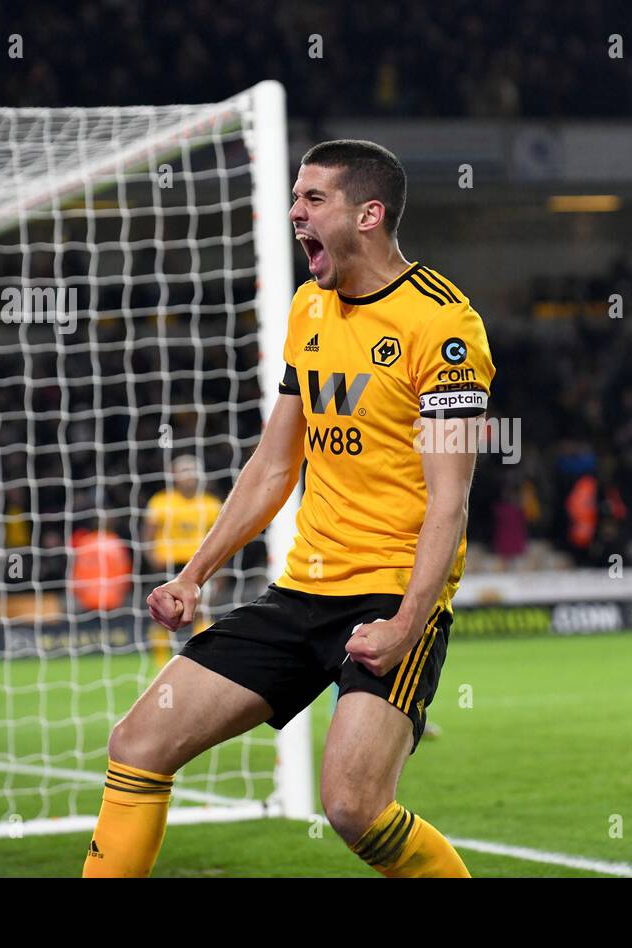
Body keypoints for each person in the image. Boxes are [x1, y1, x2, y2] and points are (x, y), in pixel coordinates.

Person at [83, 139, 494, 877]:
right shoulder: (309, 306)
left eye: (312, 199)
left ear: (368, 214)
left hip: (389, 593)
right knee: (138, 740)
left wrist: (407, 623)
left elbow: (450, 501)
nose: (294, 211)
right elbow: (275, 463)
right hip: (301, 592)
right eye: (294, 197)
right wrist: (194, 573)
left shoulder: (444, 325)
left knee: (352, 805)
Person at [140, 455, 223, 666]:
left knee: (202, 609)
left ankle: (203, 659)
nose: (189, 475)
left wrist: (218, 569)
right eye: (183, 470)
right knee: (163, 613)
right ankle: (160, 664)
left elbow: (220, 540)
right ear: (173, 475)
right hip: (168, 564)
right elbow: (147, 535)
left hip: (199, 565)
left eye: (192, 470)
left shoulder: (211, 504)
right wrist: (153, 560)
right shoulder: (160, 502)